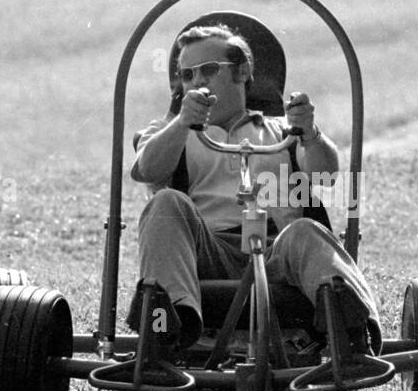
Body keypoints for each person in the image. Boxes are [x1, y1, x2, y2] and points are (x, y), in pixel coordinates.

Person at [130, 23, 380, 357]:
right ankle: (167, 333)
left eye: (208, 70)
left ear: (243, 71)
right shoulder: (168, 131)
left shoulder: (282, 130)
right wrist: (182, 122)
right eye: (187, 75)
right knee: (166, 202)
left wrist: (308, 132)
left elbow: (325, 175)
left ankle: (351, 334)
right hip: (208, 253)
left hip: (277, 252)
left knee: (305, 230)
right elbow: (148, 169)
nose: (197, 81)